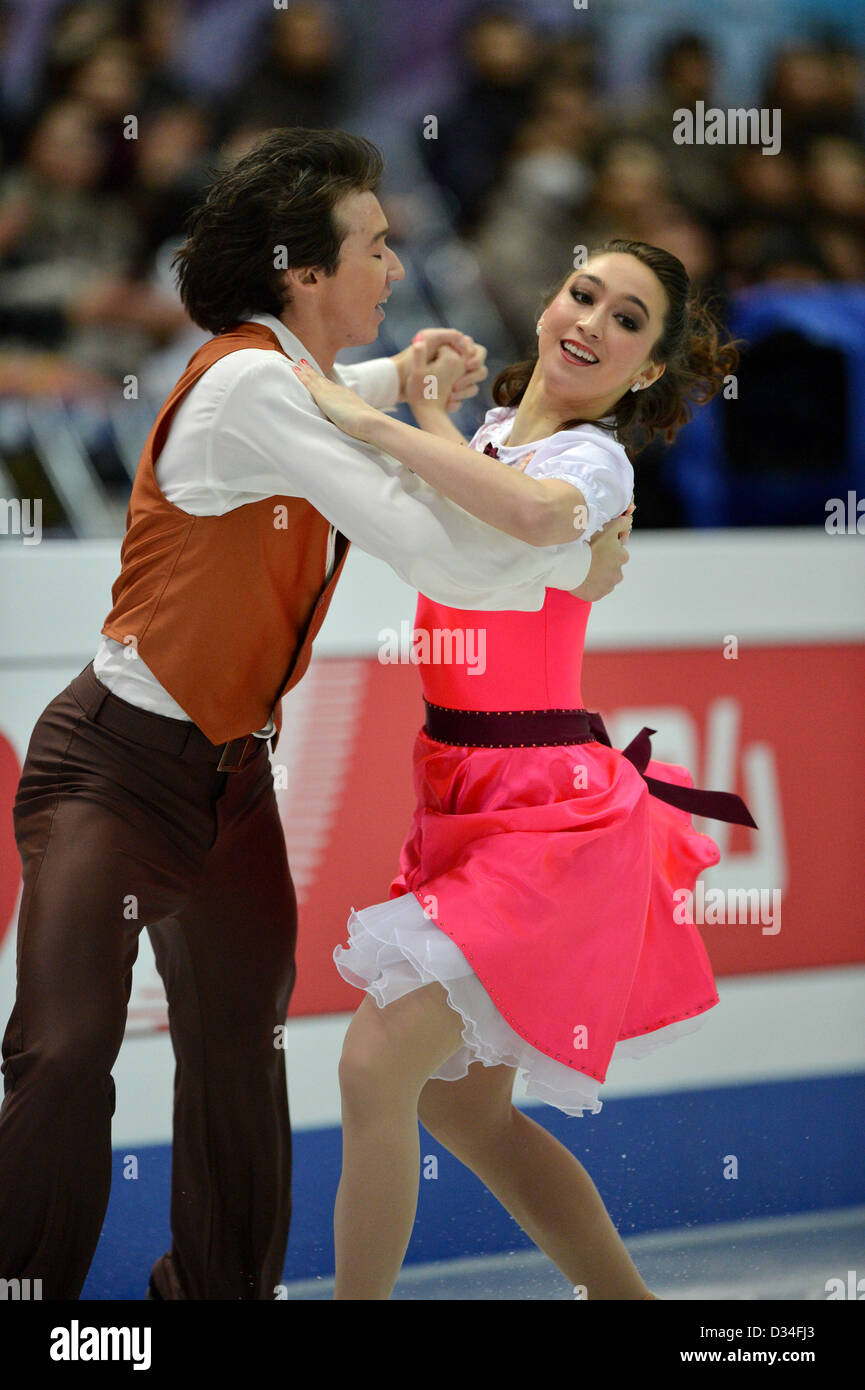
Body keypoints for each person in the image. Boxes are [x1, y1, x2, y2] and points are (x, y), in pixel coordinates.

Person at [0, 128, 628, 1302]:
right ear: (302, 272)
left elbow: (330, 397)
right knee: (66, 1047)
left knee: (243, 1048)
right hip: (111, 768)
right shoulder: (247, 386)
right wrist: (575, 550)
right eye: (377, 248)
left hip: (231, 782)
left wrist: (406, 379)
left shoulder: (286, 381)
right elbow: (431, 539)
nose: (396, 271)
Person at [293, 238, 757, 1301]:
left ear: (645, 370)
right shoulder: (499, 437)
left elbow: (532, 515)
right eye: (583, 293)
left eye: (627, 320)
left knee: (374, 1066)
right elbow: (472, 501)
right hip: (462, 787)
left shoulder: (594, 464)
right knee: (465, 1108)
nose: (590, 321)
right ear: (550, 302)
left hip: (548, 810)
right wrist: (427, 406)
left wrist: (375, 418)